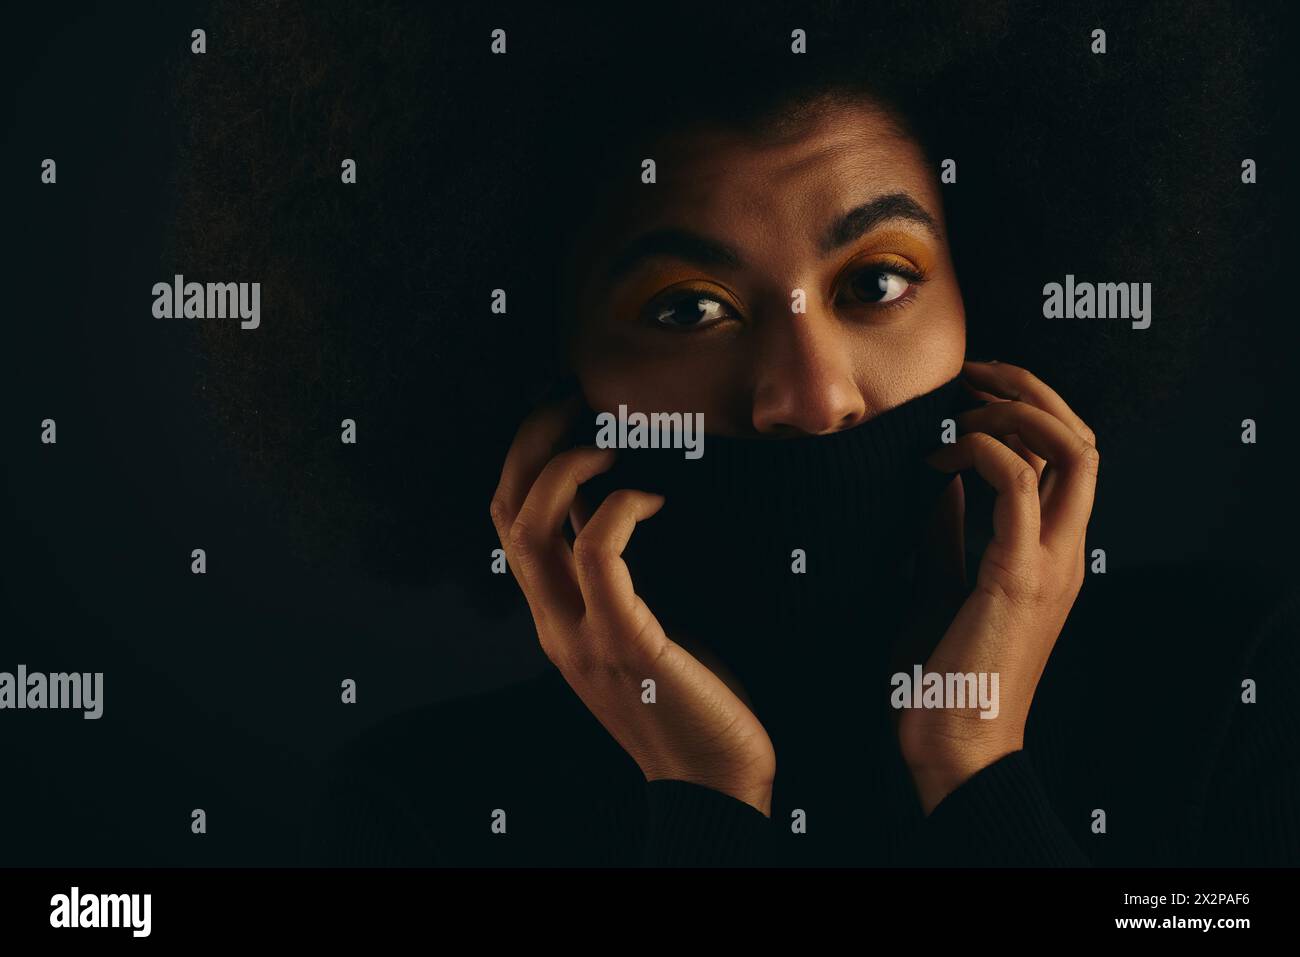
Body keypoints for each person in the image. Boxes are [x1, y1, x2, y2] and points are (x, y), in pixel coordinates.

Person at [301, 66, 1300, 867]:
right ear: (554, 376)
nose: (814, 399)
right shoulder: (418, 815)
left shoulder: (1232, 689)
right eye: (687, 309)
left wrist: (973, 767)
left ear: (983, 297)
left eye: (875, 281)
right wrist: (706, 801)